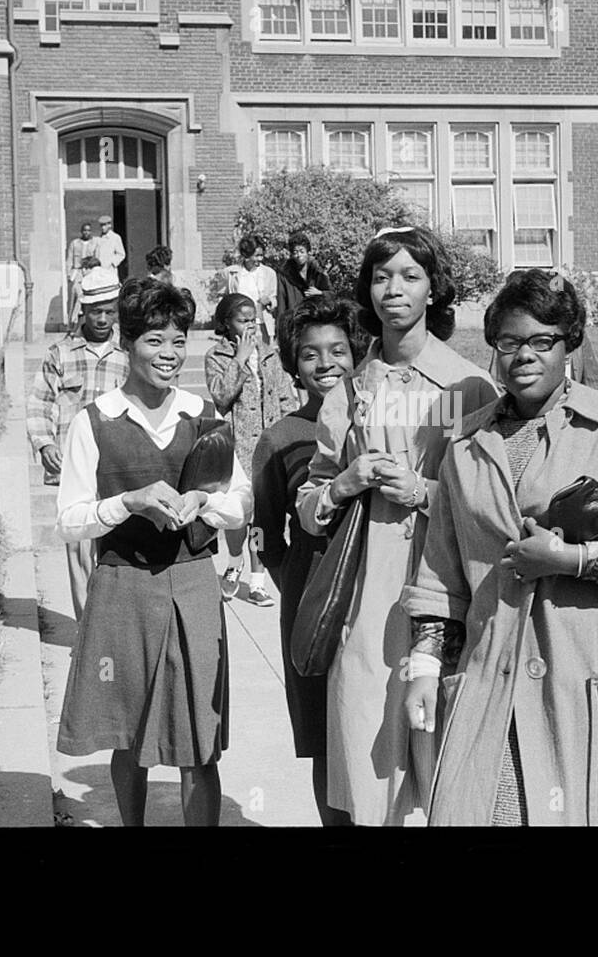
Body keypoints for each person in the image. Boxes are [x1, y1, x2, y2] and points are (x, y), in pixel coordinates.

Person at [400, 269, 598, 825]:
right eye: (508, 342)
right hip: (494, 677)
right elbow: (442, 572)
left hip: (588, 674)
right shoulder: (465, 445)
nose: (523, 356)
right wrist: (424, 665)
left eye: (542, 341)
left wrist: (574, 560)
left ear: (569, 345)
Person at [295, 225, 497, 826]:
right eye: (382, 277)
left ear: (434, 289)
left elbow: (496, 505)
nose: (394, 290)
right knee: (366, 754)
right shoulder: (353, 388)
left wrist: (426, 491)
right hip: (365, 597)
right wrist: (342, 483)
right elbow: (308, 506)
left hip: (447, 592)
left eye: (410, 276)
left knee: (440, 756)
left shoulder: (469, 387)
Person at [55, 277, 252, 827]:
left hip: (192, 582)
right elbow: (69, 521)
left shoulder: (204, 416)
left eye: (178, 340)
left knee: (198, 735)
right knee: (130, 726)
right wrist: (128, 503)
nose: (169, 354)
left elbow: (241, 502)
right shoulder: (93, 423)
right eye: (154, 341)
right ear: (127, 343)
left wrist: (204, 502)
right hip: (123, 585)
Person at [252, 296, 365, 826]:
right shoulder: (280, 438)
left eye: (338, 350)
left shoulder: (390, 420)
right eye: (309, 354)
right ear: (292, 364)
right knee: (325, 735)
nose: (326, 364)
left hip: (380, 590)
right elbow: (270, 537)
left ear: (357, 351)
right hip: (312, 596)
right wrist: (306, 584)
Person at [27, 268, 130, 621]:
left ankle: (115, 627)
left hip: (118, 465)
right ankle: (88, 630)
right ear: (81, 312)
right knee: (80, 550)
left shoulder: (129, 353)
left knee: (117, 550)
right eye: (95, 311)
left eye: (109, 310)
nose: (102, 319)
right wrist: (44, 444)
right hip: (75, 468)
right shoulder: (60, 354)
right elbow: (40, 403)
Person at [205, 292, 296, 606]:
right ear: (227, 324)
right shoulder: (217, 357)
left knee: (262, 517)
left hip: (269, 446)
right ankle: (234, 562)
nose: (250, 327)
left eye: (253, 320)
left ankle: (257, 581)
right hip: (238, 447)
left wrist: (287, 433)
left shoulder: (270, 353)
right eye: (242, 320)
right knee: (237, 515)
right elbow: (221, 397)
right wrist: (239, 361)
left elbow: (285, 396)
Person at [487, 271, 598, 393]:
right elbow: (496, 381)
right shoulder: (506, 345)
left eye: (542, 342)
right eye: (511, 342)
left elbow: (593, 381)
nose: (525, 354)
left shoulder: (574, 337)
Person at [211, 235, 281, 341]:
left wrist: (269, 302)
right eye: (256, 255)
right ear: (246, 255)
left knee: (262, 354)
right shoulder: (230, 273)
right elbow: (221, 298)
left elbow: (274, 299)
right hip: (238, 325)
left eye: (261, 255)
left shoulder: (269, 273)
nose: (260, 259)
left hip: (261, 325)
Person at [277, 232, 332, 321]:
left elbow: (331, 295)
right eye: (295, 252)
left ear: (308, 252)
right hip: (294, 319)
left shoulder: (317, 271)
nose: (299, 255)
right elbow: (281, 304)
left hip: (315, 319)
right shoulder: (285, 275)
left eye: (302, 252)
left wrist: (320, 293)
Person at [66, 222, 99, 327]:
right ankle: (72, 322)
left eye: (88, 230)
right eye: (84, 230)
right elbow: (69, 260)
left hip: (89, 272)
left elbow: (96, 260)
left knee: (87, 296)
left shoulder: (94, 243)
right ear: (81, 231)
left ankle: (82, 321)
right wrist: (68, 273)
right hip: (78, 271)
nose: (86, 232)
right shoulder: (75, 243)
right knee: (76, 296)